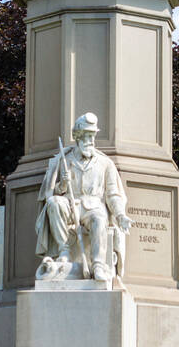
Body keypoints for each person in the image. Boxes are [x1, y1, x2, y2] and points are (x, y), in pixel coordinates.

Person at [35, 113, 130, 283]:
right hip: (71, 205)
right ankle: (63, 251)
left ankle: (98, 265)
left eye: (92, 136)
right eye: (86, 136)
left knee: (99, 218)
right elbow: (53, 192)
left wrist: (120, 214)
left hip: (93, 208)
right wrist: (63, 184)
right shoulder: (66, 160)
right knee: (54, 202)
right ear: (77, 137)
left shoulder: (105, 163)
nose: (90, 140)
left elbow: (112, 194)